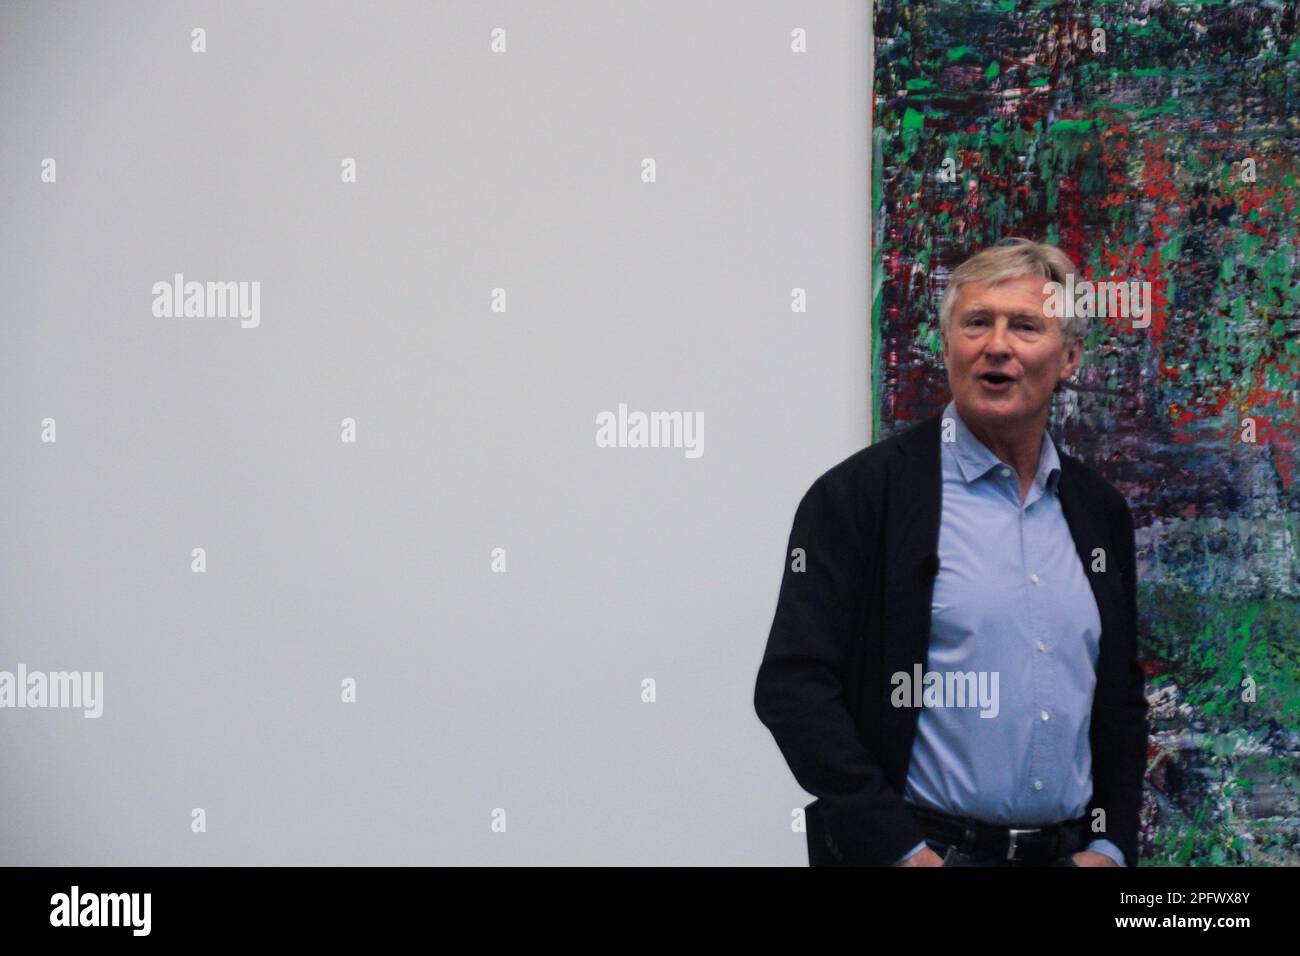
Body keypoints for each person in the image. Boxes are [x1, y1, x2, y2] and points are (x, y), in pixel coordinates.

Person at [754, 238, 1148, 867]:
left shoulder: (1099, 513)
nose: (997, 344)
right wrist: (899, 851)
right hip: (926, 854)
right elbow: (792, 688)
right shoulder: (859, 497)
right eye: (976, 323)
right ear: (948, 347)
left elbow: (1121, 700)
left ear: (1069, 357)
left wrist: (1110, 845)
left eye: (1025, 325)